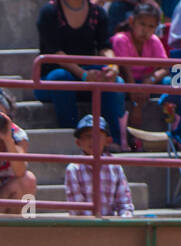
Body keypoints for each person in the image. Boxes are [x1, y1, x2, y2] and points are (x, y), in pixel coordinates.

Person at [35, 0, 128, 147]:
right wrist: (83, 74)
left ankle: (112, 141)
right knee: (61, 78)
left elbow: (105, 46)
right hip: (52, 80)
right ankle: (73, 142)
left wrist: (113, 66)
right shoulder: (49, 12)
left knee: (114, 82)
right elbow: (55, 52)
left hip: (86, 77)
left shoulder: (98, 12)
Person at [112, 3, 170, 139]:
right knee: (117, 86)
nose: (146, 30)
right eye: (142, 24)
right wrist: (137, 105)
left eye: (151, 27)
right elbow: (126, 71)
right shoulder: (121, 39)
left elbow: (166, 67)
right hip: (127, 83)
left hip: (145, 83)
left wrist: (149, 81)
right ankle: (120, 135)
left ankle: (174, 129)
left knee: (176, 81)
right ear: (132, 22)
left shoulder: (154, 41)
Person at [65, 113, 137, 213]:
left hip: (110, 224)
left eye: (97, 135)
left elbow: (124, 202)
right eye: (87, 136)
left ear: (108, 141)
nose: (92, 140)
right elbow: (77, 208)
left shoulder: (114, 165)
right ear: (78, 143)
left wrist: (124, 219)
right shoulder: (73, 169)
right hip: (84, 225)